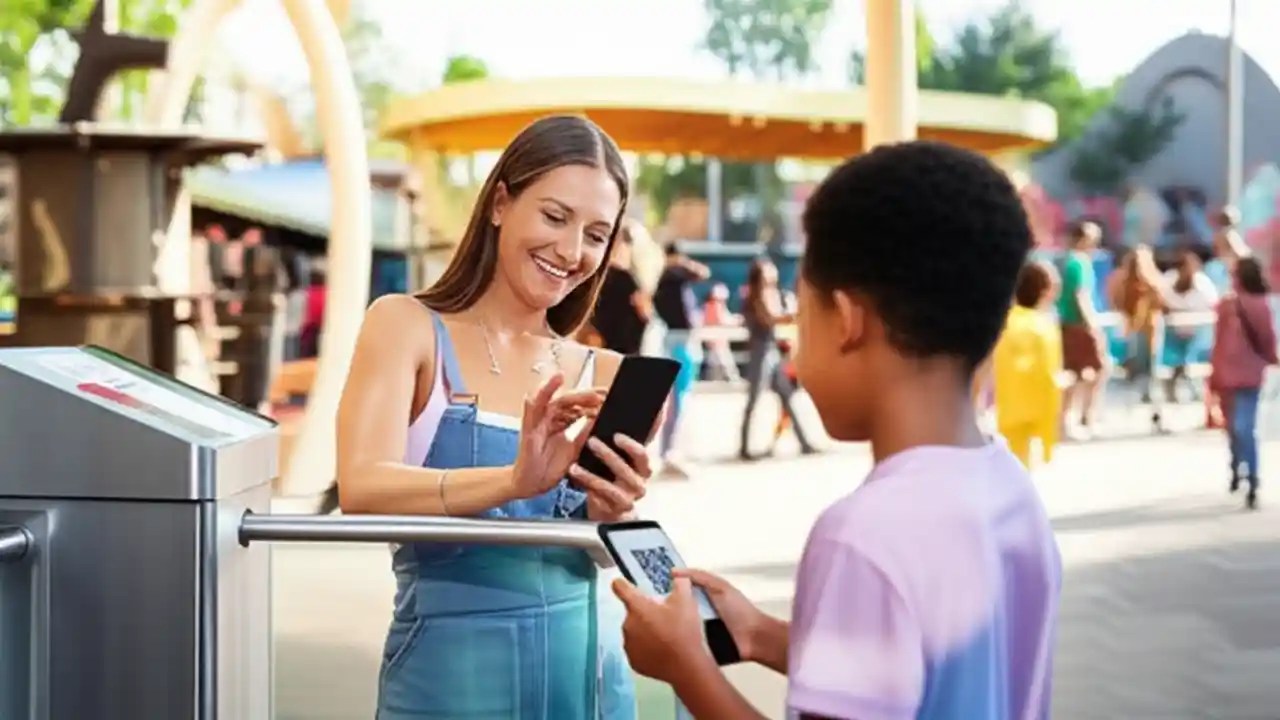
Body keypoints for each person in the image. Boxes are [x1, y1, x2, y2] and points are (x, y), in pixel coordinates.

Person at [611, 141, 1060, 719]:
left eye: (804, 309)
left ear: (847, 321)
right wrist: (761, 635)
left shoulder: (864, 535)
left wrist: (685, 666)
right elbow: (931, 668)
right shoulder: (1009, 489)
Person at [334, 115, 653, 719]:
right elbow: (362, 484)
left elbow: (599, 557)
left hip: (589, 684)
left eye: (595, 234)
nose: (570, 250)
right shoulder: (406, 325)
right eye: (555, 217)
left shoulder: (606, 371)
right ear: (501, 202)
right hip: (449, 686)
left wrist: (615, 513)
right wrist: (513, 482)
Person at [1209, 255, 1277, 511]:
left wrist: (1214, 372)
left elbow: (1218, 342)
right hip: (1248, 373)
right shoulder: (1256, 305)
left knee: (1237, 426)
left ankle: (1246, 472)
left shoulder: (1230, 306)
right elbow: (1267, 340)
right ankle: (1245, 470)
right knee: (1242, 426)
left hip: (1230, 373)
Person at [739, 258, 817, 460]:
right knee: (754, 399)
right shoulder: (756, 297)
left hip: (771, 351)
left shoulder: (771, 294)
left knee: (787, 397)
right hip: (761, 352)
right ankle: (744, 447)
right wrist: (798, 314)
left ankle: (805, 443)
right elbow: (771, 318)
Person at [994, 261, 1064, 468]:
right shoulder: (1044, 326)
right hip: (1035, 411)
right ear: (1046, 291)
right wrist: (1050, 434)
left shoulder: (1004, 322)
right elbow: (1050, 374)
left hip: (1006, 408)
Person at [654, 243, 711, 475]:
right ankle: (670, 453)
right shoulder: (672, 275)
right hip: (679, 340)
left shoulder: (666, 278)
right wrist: (679, 262)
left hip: (678, 339)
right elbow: (702, 272)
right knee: (679, 398)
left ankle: (672, 450)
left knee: (680, 398)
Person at [1059, 221, 1109, 438]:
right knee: (1100, 368)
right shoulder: (1079, 263)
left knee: (1075, 373)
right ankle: (1086, 416)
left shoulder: (1065, 261)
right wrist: (1092, 325)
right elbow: (1081, 295)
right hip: (1079, 324)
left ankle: (1067, 419)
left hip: (1066, 323)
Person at [1157, 248, 1218, 401]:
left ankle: (1197, 392)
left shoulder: (1202, 282)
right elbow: (1161, 299)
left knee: (1191, 362)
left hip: (1195, 330)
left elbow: (1211, 301)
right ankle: (1170, 390)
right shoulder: (1169, 279)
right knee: (1173, 362)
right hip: (1173, 330)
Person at [587, 219, 651, 355]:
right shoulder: (625, 278)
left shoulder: (603, 276)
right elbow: (645, 313)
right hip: (617, 346)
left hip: (607, 345)